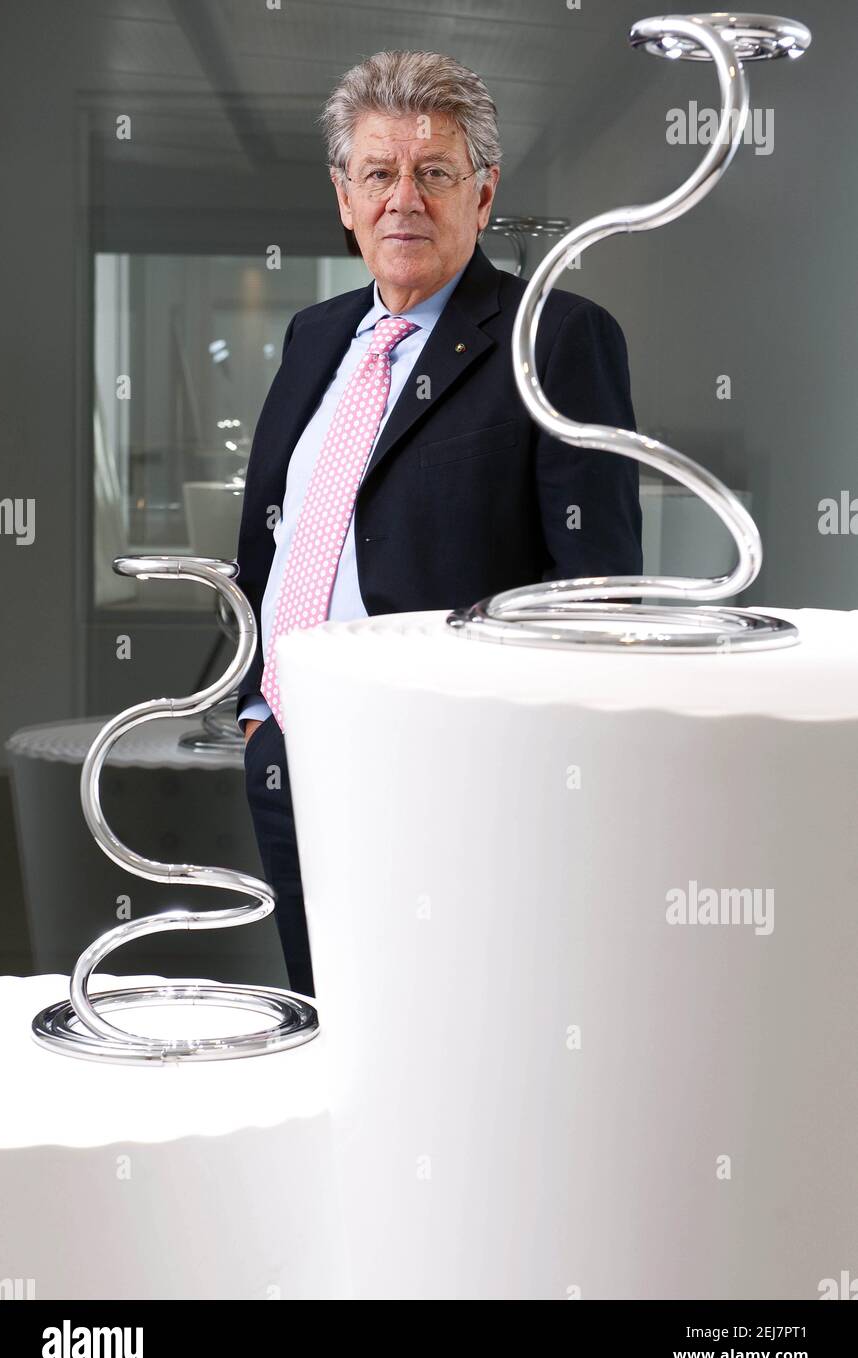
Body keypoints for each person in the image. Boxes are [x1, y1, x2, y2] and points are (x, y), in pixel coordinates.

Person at [235, 50, 643, 997]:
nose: (403, 200)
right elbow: (283, 528)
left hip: (451, 764)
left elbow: (601, 591)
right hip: (289, 741)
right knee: (322, 1006)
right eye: (378, 173)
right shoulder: (314, 336)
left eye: (434, 173)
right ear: (344, 197)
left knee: (450, 1018)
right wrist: (258, 715)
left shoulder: (556, 337)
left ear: (484, 193)